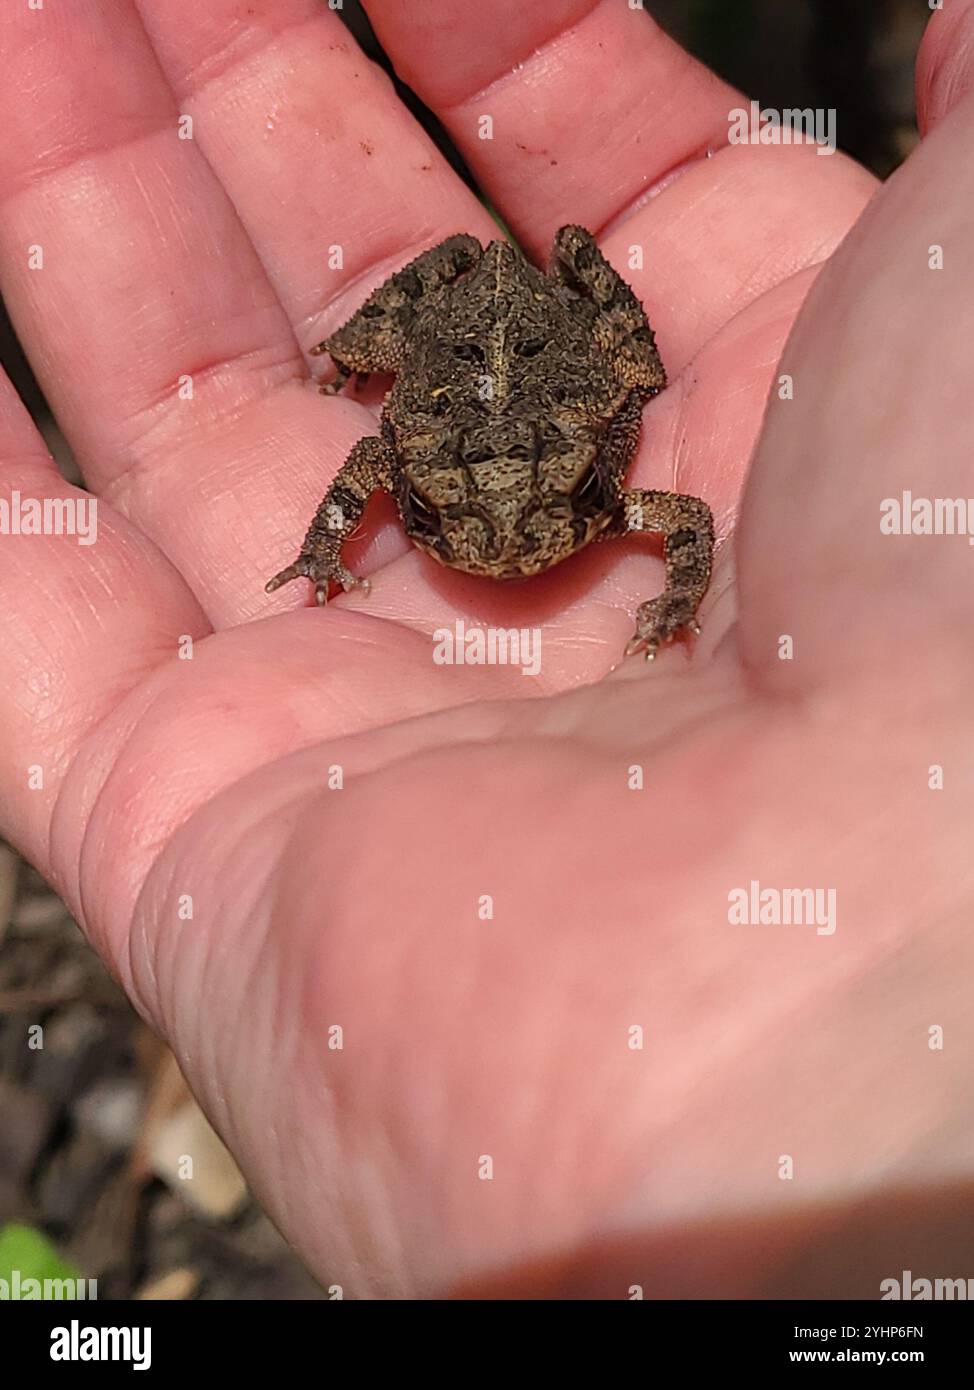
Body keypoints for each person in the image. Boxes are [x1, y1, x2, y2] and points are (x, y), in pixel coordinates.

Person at [0, 0, 971, 1298]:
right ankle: (469, 301)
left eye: (547, 517)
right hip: (472, 356)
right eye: (460, 523)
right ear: (427, 489)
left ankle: (524, 301)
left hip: (550, 372)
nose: (511, 547)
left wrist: (683, 609)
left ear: (584, 484)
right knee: (387, 335)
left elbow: (680, 519)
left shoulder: (600, 492)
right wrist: (325, 544)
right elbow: (364, 463)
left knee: (574, 351)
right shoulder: (415, 463)